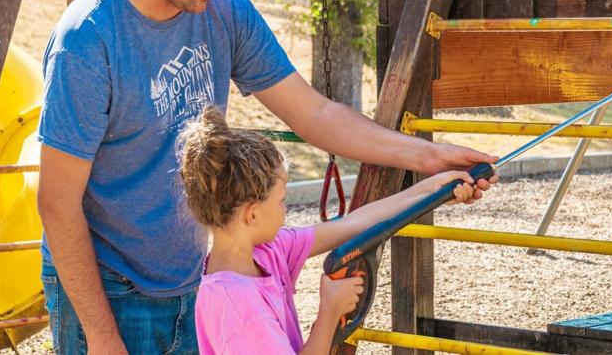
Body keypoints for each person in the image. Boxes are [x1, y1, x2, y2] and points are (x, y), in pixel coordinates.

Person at [36, 0, 497, 354]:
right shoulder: (87, 42)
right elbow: (57, 202)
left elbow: (314, 114)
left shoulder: (224, 12)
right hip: (109, 286)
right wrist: (104, 340)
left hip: (194, 279)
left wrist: (427, 158)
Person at [178, 107, 487, 354]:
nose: (285, 210)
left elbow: (352, 224)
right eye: (282, 200)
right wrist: (329, 312)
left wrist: (432, 190)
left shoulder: (268, 252)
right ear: (253, 214)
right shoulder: (238, 305)